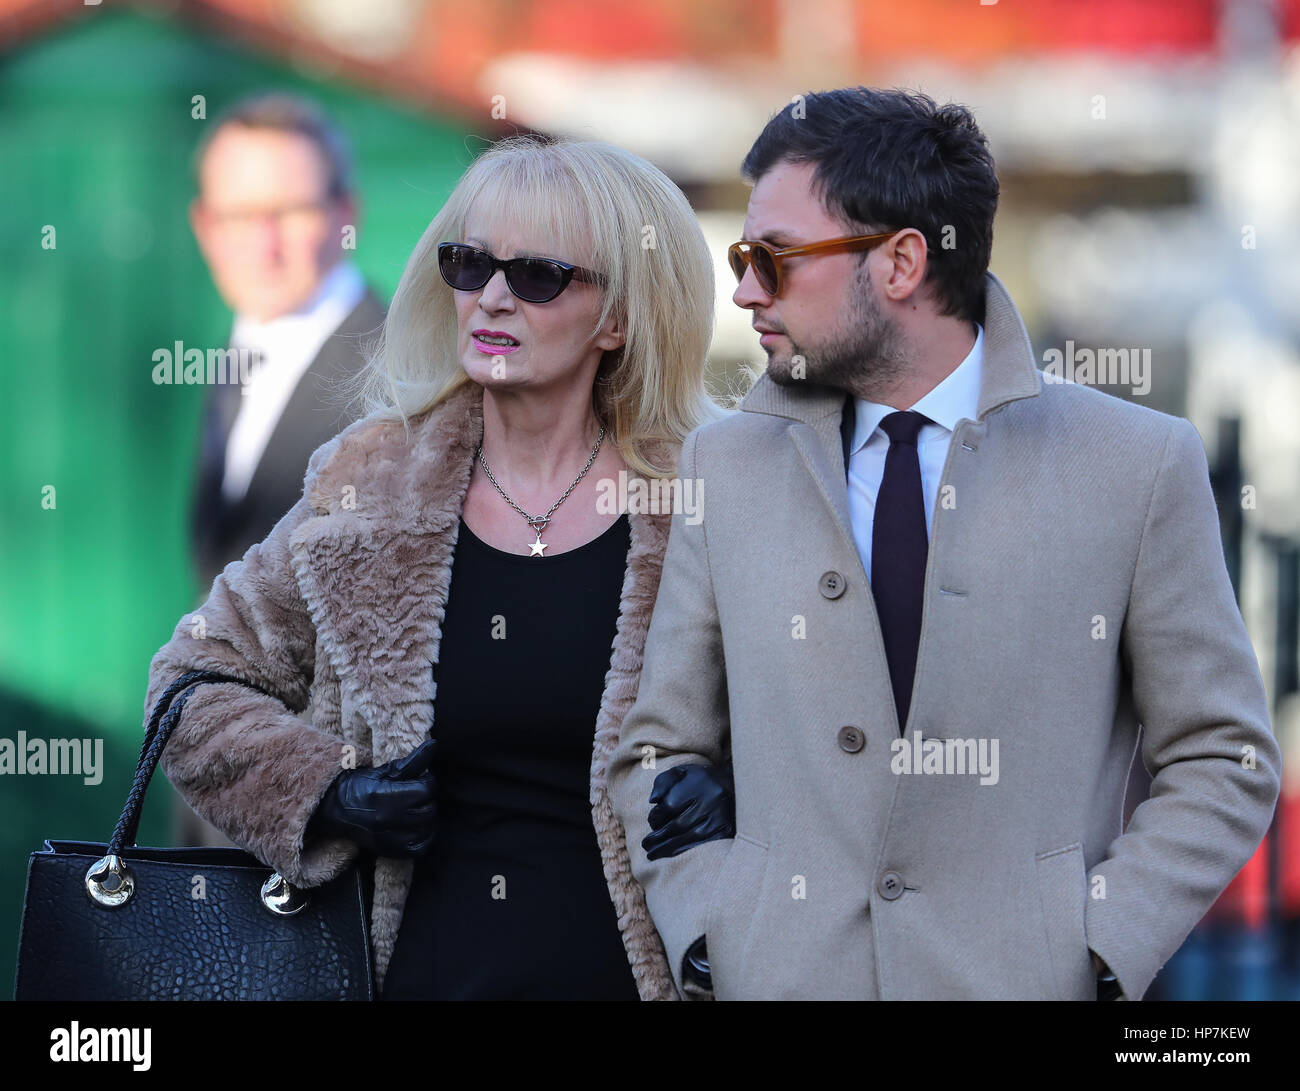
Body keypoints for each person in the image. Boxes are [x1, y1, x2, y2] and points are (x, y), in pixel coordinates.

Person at [609, 87, 1283, 1001]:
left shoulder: (1137, 463)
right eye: (741, 257)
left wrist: (1097, 949)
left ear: (902, 261)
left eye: (772, 256)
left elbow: (1223, 755)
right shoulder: (724, 463)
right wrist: (712, 932)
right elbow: (657, 749)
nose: (744, 288)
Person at [144, 134, 720, 999]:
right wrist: (329, 791)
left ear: (620, 319)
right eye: (468, 263)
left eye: (538, 276)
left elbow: (819, 731)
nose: (491, 297)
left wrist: (733, 792)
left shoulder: (705, 504)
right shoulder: (369, 485)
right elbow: (188, 684)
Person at [189, 92, 385, 595]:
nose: (264, 245)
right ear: (205, 227)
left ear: (347, 215)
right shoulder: (236, 349)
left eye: (290, 212)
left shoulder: (397, 377)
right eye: (237, 216)